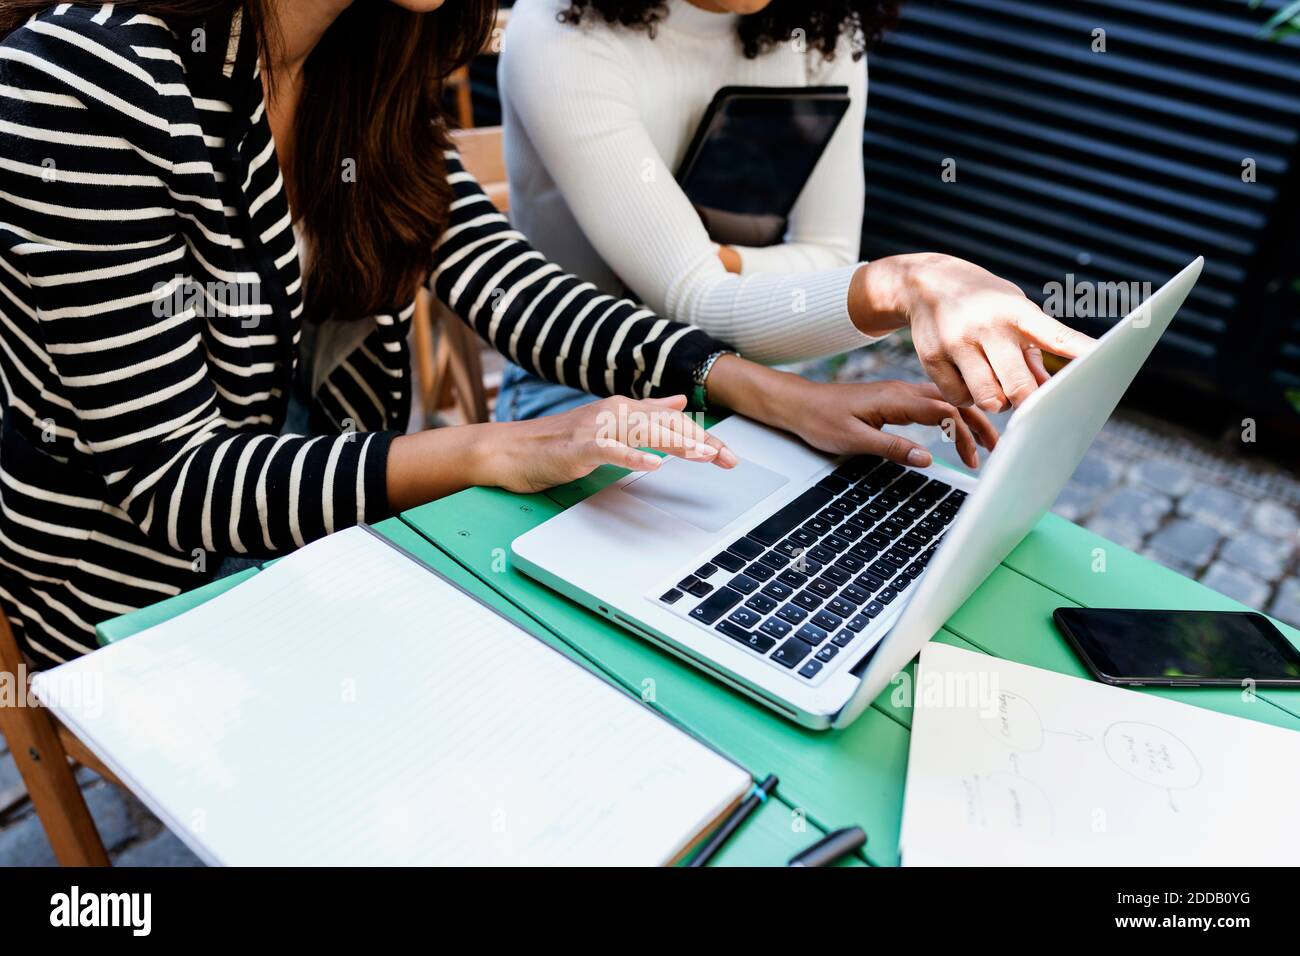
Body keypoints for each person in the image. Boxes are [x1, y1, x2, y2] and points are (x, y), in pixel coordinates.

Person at [0, 0, 997, 667]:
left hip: (328, 522)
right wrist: (494, 446)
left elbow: (507, 281)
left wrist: (776, 395)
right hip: (140, 584)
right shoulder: (86, 77)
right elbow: (177, 481)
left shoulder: (371, 45)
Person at [497, 0, 1094, 421]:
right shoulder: (561, 34)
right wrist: (907, 285)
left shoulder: (822, 27)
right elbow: (696, 302)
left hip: (775, 360)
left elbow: (830, 256)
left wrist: (716, 260)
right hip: (591, 379)